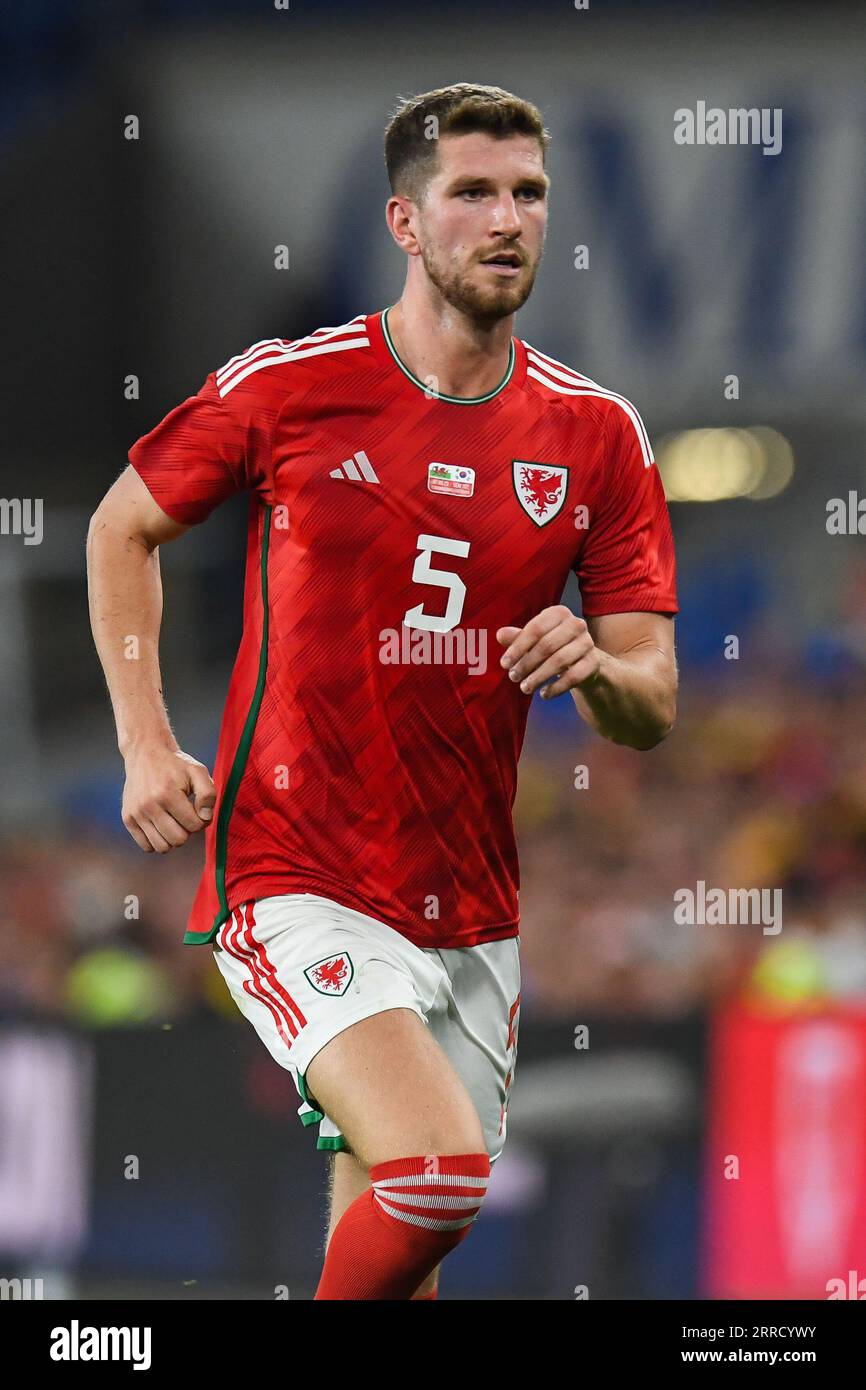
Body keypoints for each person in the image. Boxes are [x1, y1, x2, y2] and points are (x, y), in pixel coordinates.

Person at [87, 82, 678, 1300]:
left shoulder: (596, 435)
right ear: (405, 223)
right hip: (295, 868)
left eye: (526, 193)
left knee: (407, 1240)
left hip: (469, 907)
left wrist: (595, 668)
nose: (505, 218)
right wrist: (146, 745)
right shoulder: (290, 385)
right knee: (437, 1176)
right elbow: (120, 527)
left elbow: (653, 700)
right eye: (471, 192)